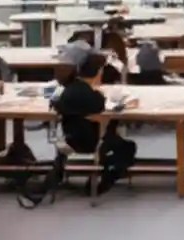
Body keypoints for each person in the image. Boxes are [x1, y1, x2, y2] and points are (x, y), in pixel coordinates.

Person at [51, 53, 137, 196]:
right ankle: (104, 179)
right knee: (128, 147)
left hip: (69, 139)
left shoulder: (67, 89)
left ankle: (98, 169)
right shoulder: (93, 96)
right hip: (92, 142)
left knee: (114, 140)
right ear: (99, 72)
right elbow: (105, 110)